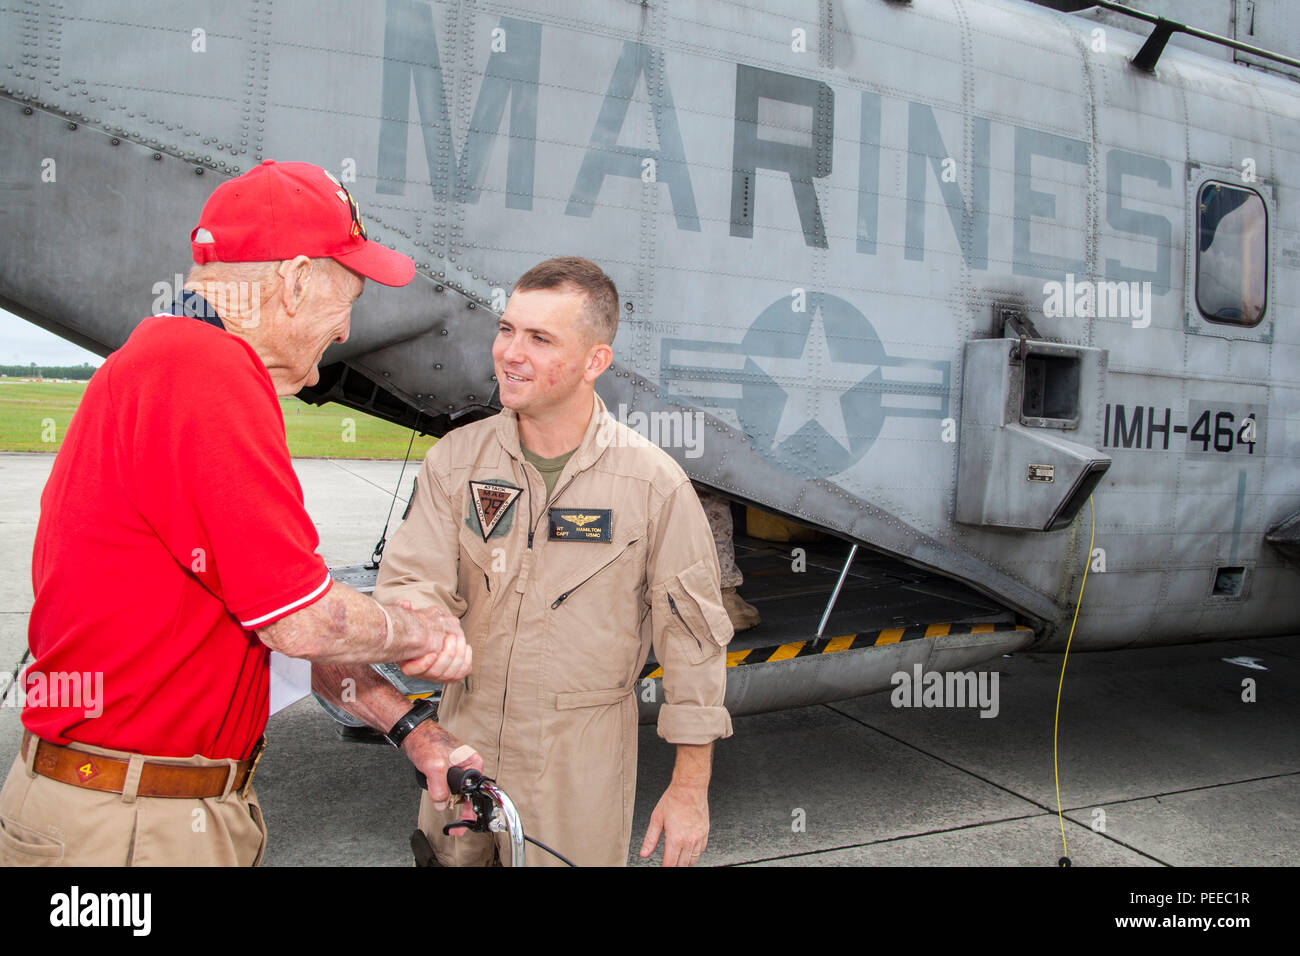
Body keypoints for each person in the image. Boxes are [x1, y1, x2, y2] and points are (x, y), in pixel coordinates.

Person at [0, 160, 479, 867]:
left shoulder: (164, 360)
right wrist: (417, 633)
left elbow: (268, 623)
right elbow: (302, 621)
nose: (346, 331)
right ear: (290, 283)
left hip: (130, 813)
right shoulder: (209, 374)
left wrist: (407, 724)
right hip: (133, 832)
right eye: (348, 297)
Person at [367, 256, 734, 867]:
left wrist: (689, 788)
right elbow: (412, 580)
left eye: (540, 338)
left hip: (579, 772)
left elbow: (693, 644)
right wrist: (423, 625)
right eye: (507, 329)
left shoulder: (651, 485)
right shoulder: (456, 464)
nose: (511, 352)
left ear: (595, 362)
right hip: (464, 754)